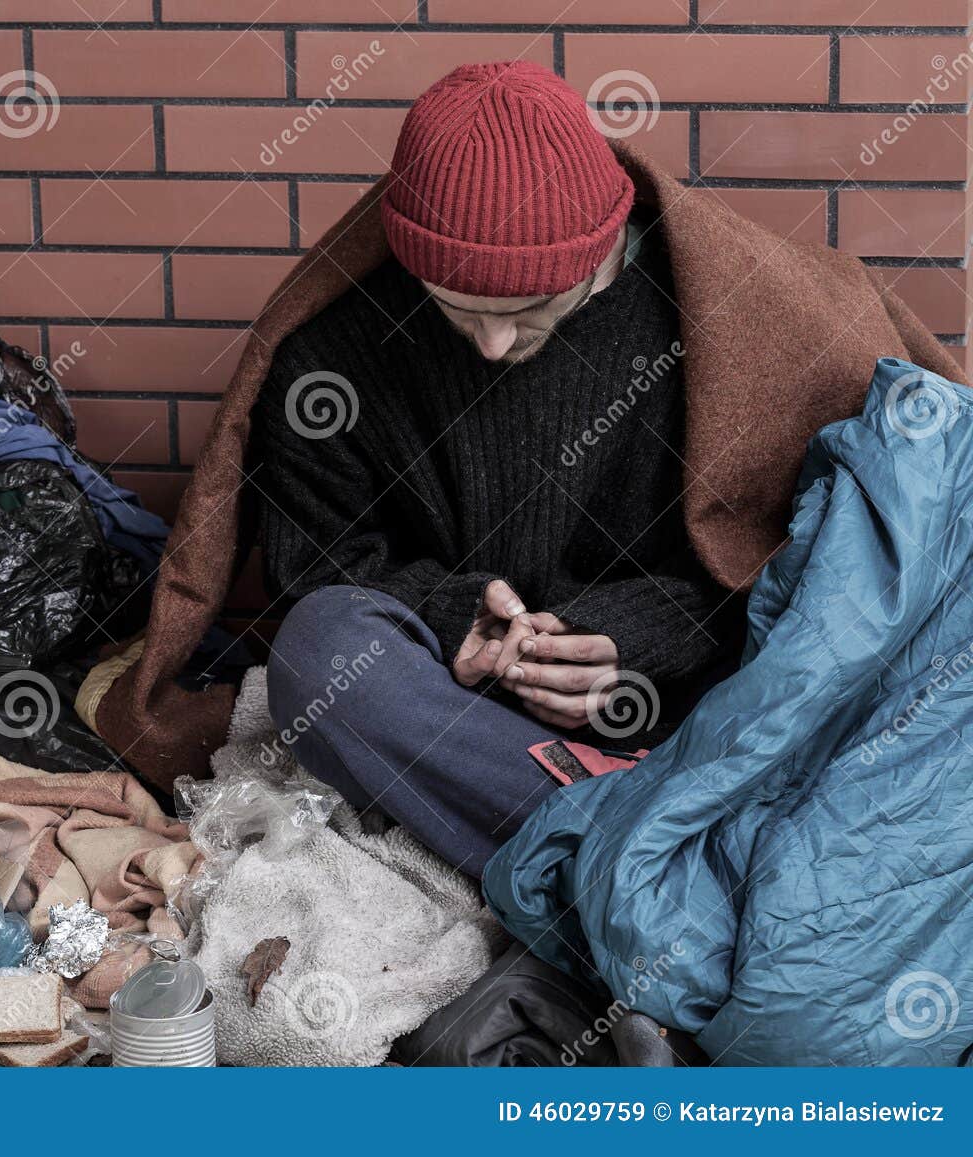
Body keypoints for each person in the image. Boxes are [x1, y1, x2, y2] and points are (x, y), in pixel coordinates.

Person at [255, 62, 743, 874]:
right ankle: (623, 837)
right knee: (318, 653)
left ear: (600, 256)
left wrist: (633, 640)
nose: (489, 345)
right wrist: (455, 621)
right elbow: (319, 567)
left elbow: (772, 561)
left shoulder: (703, 321)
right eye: (454, 307)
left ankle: (579, 838)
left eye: (525, 313)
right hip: (456, 717)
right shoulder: (331, 360)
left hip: (663, 699)